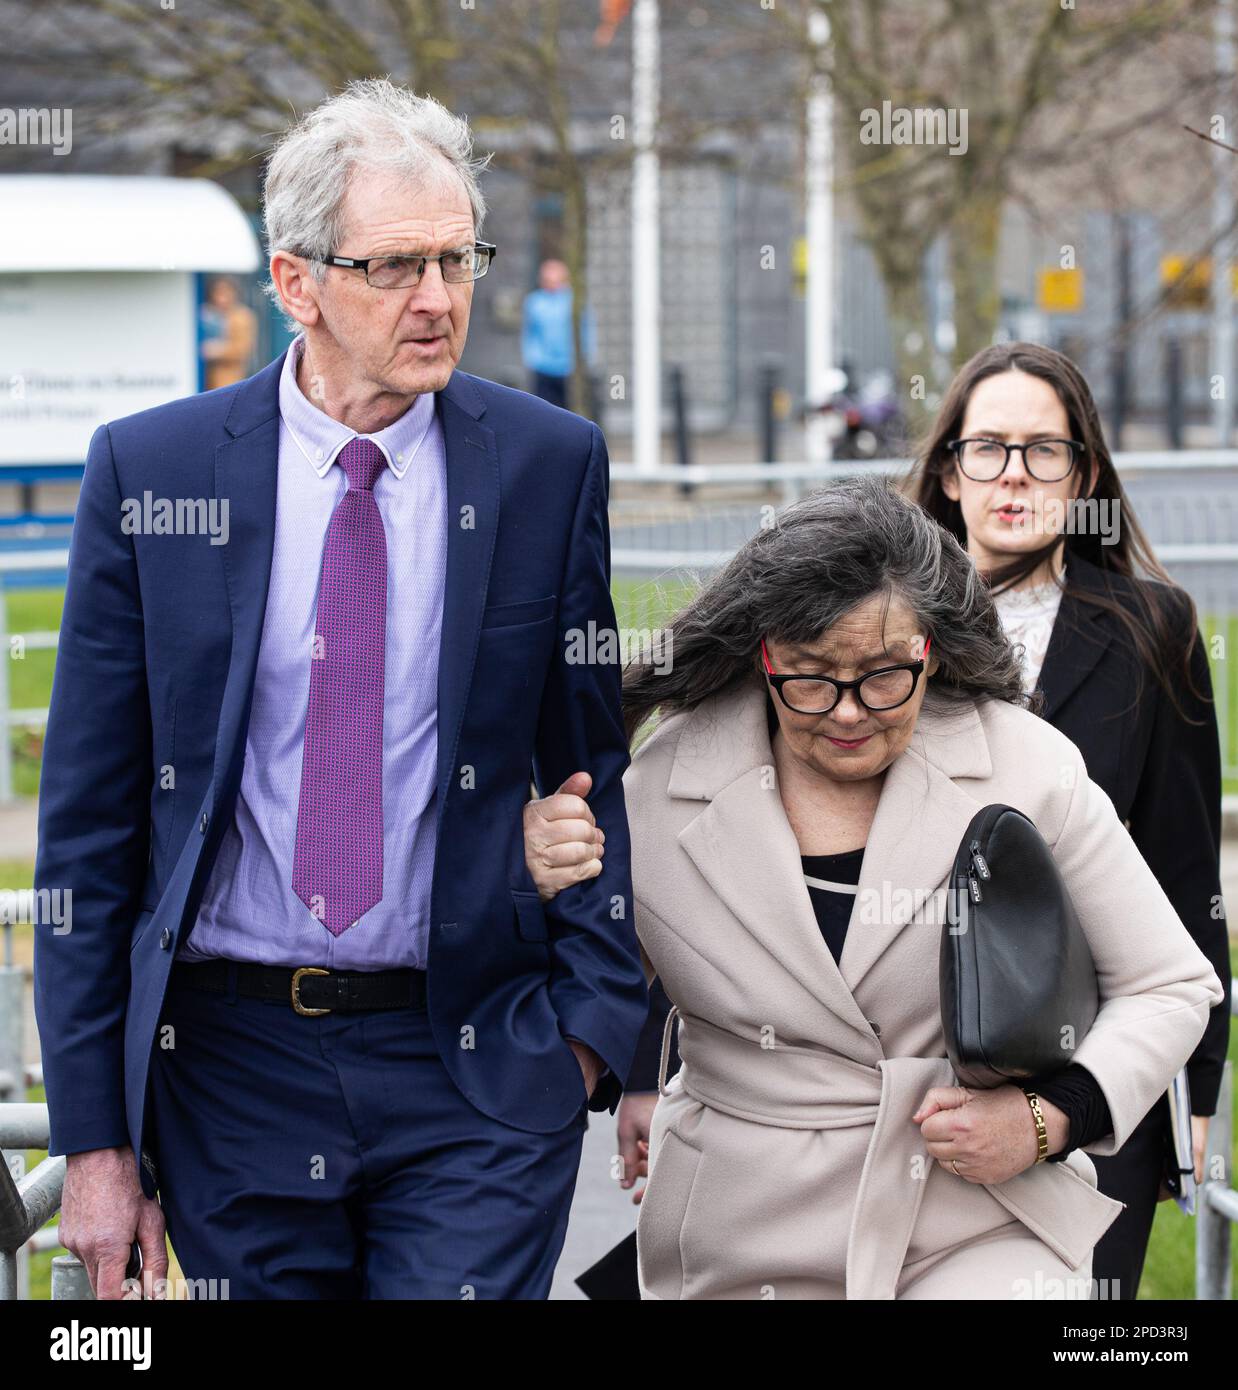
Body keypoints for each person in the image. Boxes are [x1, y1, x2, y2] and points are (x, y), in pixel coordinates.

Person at [34, 77, 647, 1301]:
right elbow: (90, 828)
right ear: (296, 282)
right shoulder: (150, 475)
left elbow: (594, 769)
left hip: (475, 1053)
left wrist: (597, 1038)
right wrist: (95, 1142)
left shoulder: (544, 463)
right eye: (394, 266)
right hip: (231, 1065)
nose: (439, 297)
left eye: (458, 257)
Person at [523, 475, 1223, 1299]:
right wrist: (531, 878)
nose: (850, 712)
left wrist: (1044, 1119)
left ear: (933, 648)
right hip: (740, 1230)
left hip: (976, 1216)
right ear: (764, 654)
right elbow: (579, 987)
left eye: (887, 676)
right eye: (812, 678)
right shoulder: (662, 781)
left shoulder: (1028, 766)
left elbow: (1169, 984)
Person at [905, 342, 1232, 1299]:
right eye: (988, 448)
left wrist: (1192, 1092)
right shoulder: (877, 621)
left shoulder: (1151, 629)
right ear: (948, 469)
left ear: (1083, 472)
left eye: (1044, 451)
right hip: (901, 1053)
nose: (1014, 474)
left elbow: (1183, 877)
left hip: (1079, 1067)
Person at [521, 258, 595, 409]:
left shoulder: (575, 302)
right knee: (544, 409)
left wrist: (586, 358)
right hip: (543, 368)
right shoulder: (534, 302)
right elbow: (529, 333)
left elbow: (586, 330)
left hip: (570, 368)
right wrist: (533, 358)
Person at [199, 275, 258, 390]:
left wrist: (216, 351)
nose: (221, 298)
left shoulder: (242, 317)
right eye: (218, 293)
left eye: (226, 293)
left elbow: (242, 349)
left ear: (234, 294)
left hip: (229, 379)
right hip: (206, 379)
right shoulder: (209, 313)